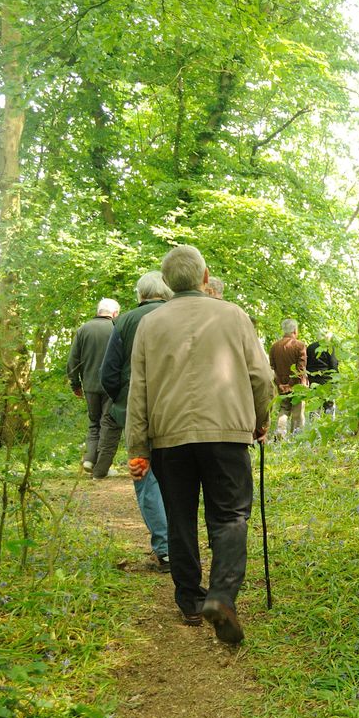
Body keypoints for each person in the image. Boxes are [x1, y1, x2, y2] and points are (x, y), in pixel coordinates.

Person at [125, 246, 272, 644]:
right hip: (227, 433)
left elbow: (137, 391)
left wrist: (136, 448)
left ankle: (191, 600)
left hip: (169, 436)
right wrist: (260, 421)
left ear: (168, 283)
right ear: (205, 276)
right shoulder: (234, 315)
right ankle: (222, 595)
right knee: (229, 516)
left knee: (180, 516)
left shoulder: (149, 325)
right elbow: (261, 376)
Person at [97, 271, 173, 570]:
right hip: (174, 410)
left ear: (140, 294)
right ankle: (181, 545)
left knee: (145, 477)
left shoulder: (125, 321)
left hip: (135, 411)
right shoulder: (178, 314)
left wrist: (121, 399)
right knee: (176, 479)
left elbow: (109, 373)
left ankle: (164, 549)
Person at [67, 297, 120, 473]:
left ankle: (89, 459)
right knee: (107, 423)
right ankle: (102, 467)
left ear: (99, 311)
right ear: (114, 313)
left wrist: (75, 384)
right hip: (111, 387)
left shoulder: (83, 329)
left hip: (89, 386)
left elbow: (73, 360)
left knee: (94, 423)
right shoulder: (116, 328)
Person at [269, 318, 307, 438]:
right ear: (295, 330)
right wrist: (291, 384)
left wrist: (280, 383)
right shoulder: (300, 345)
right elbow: (301, 369)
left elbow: (272, 368)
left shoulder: (274, 347)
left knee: (284, 409)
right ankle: (296, 437)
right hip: (297, 385)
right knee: (297, 410)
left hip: (281, 384)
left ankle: (280, 434)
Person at [306, 333, 340, 416]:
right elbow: (333, 364)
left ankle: (312, 424)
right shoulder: (329, 347)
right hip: (326, 381)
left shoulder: (310, 347)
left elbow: (306, 363)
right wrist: (337, 379)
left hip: (313, 380)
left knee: (314, 405)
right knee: (329, 406)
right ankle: (329, 424)